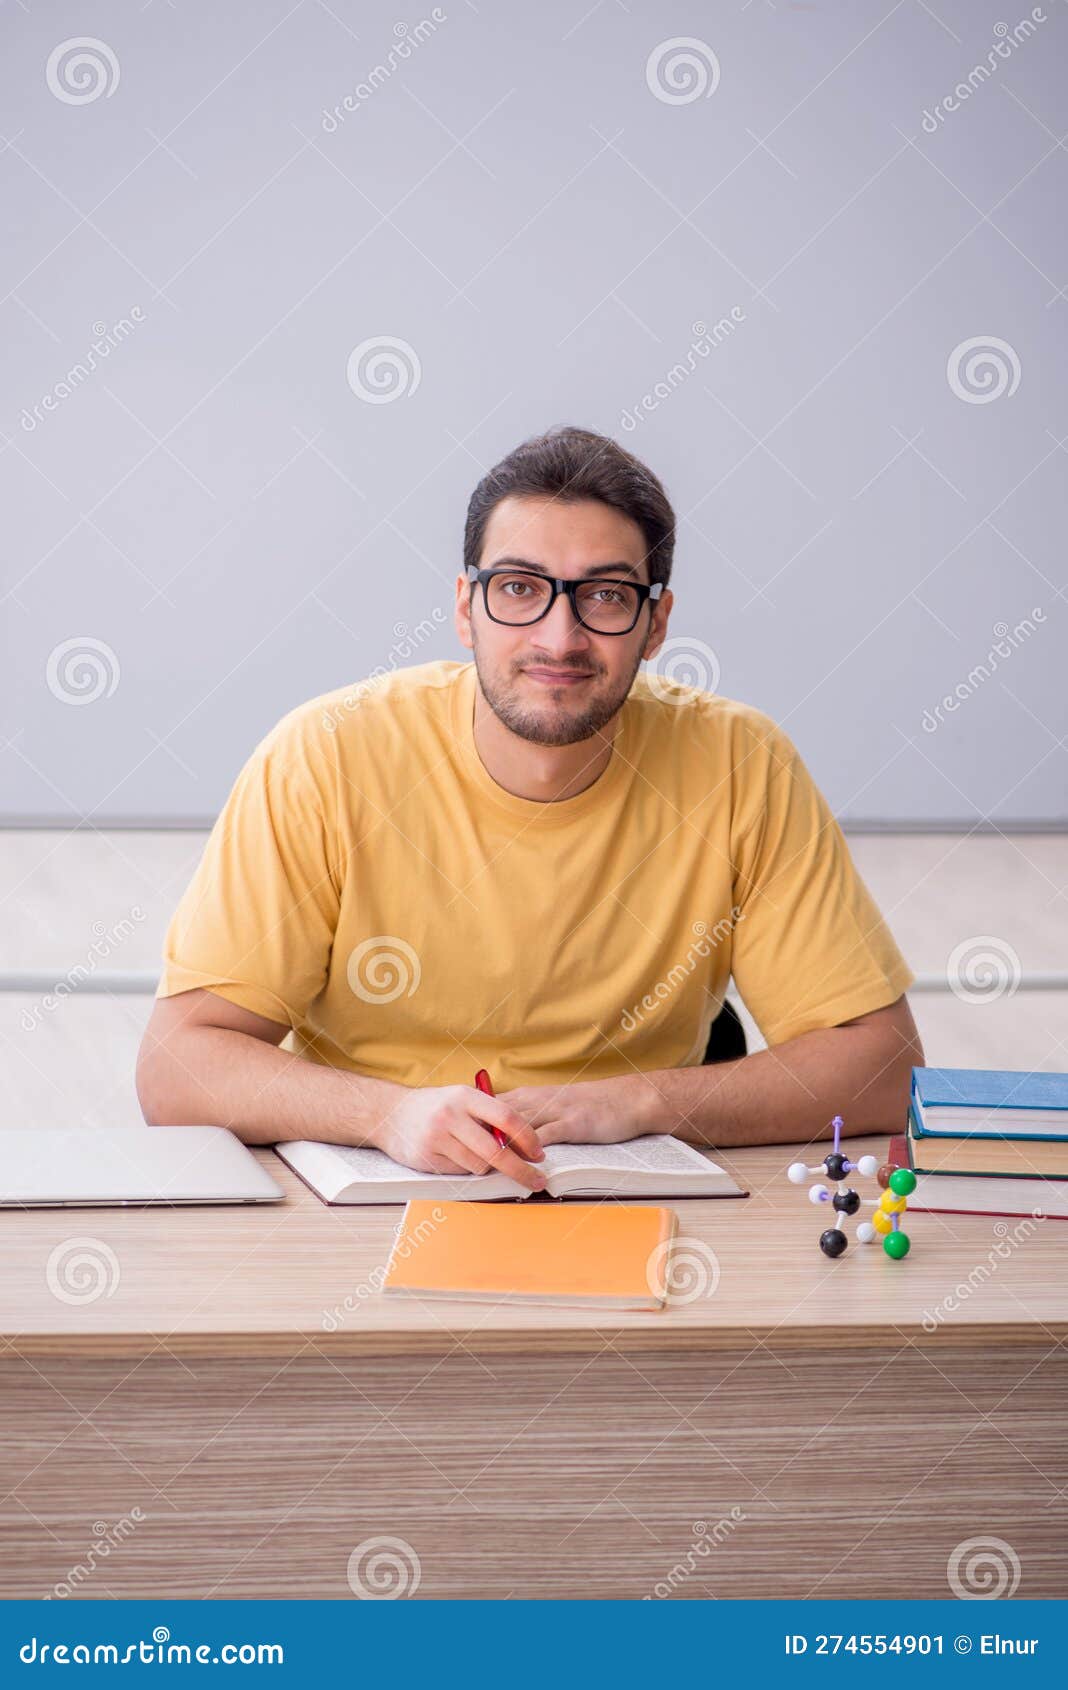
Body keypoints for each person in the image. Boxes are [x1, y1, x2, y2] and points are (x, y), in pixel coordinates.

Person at [137, 425, 923, 1192]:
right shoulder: (324, 754)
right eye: (519, 588)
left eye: (606, 596)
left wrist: (640, 1100)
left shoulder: (742, 764)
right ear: (465, 608)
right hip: (368, 1197)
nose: (560, 635)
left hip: (646, 1194)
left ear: (655, 624)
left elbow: (885, 1070)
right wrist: (389, 1115)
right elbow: (177, 1067)